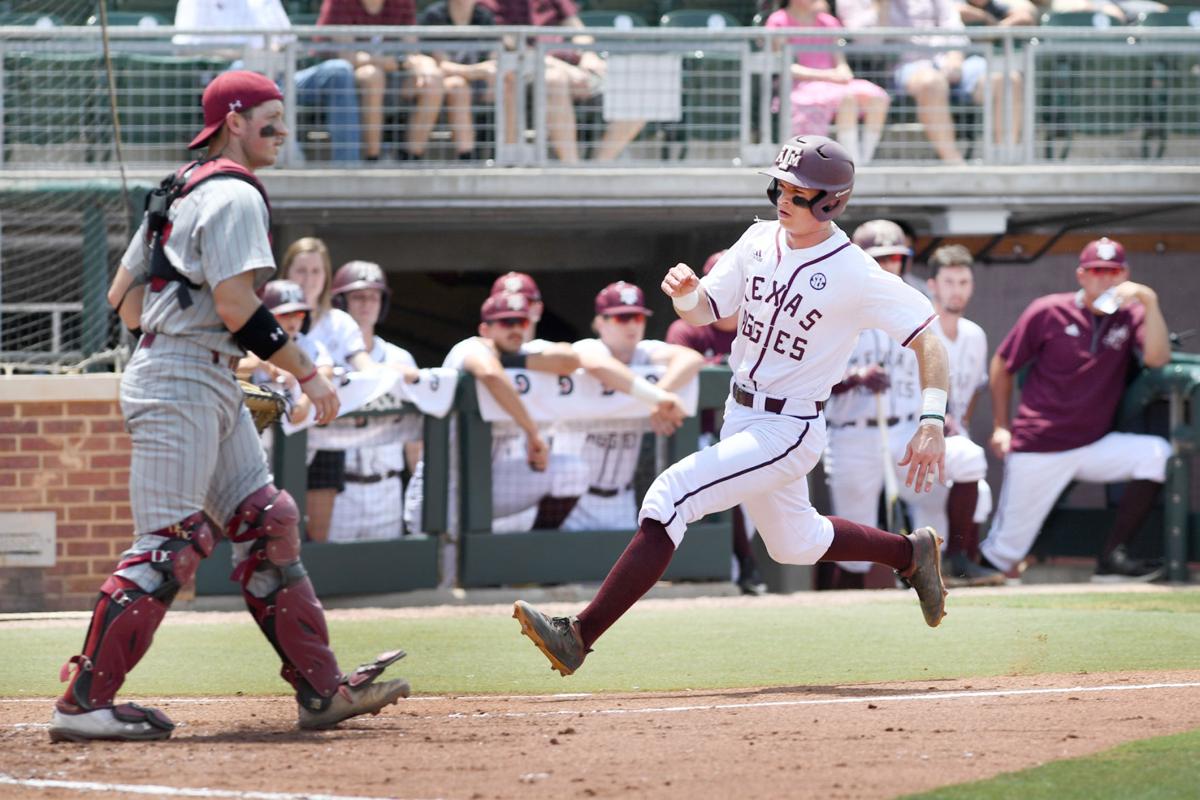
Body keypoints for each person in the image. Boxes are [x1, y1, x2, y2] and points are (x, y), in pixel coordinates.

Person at [50, 71, 408, 743]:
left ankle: (320, 691)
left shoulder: (177, 187)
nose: (282, 132)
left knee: (267, 519)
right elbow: (238, 306)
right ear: (233, 120)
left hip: (190, 370)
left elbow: (122, 301)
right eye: (269, 120)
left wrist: (190, 353)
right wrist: (309, 376)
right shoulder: (236, 191)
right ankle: (82, 705)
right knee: (169, 548)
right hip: (183, 377)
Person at [513, 135, 952, 677]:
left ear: (830, 202)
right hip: (742, 411)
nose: (782, 197)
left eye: (797, 191)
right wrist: (685, 295)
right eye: (780, 186)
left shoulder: (856, 271)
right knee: (797, 542)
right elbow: (705, 311)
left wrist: (931, 418)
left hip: (789, 425)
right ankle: (910, 554)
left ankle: (579, 634)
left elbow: (929, 337)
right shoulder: (756, 239)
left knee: (670, 494)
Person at [980, 236, 1172, 582]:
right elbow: (1002, 364)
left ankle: (1112, 558)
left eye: (1113, 271)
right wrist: (1001, 426)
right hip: (1040, 446)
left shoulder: (1131, 314)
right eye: (1096, 270)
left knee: (1156, 453)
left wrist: (1150, 300)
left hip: (1092, 445)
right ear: (1081, 275)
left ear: (1125, 275)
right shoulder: (1047, 309)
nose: (1105, 279)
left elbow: (1158, 358)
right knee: (1001, 556)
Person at [820, 220, 997, 590]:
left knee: (968, 459)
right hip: (852, 434)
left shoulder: (914, 304)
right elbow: (808, 376)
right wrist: (853, 376)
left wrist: (934, 415)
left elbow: (932, 362)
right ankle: (840, 603)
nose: (890, 267)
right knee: (853, 541)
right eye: (880, 259)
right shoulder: (832, 303)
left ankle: (958, 560)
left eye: (896, 258)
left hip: (905, 429)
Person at [561, 281, 705, 532]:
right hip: (575, 499)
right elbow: (596, 365)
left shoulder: (644, 352)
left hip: (622, 499)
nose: (632, 324)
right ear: (601, 322)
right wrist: (657, 399)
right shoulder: (590, 347)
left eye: (638, 317)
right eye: (622, 318)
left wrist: (659, 396)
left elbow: (691, 358)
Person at [666, 250, 770, 596]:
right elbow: (679, 363)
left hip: (755, 429)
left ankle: (745, 564)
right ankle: (745, 564)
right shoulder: (688, 329)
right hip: (698, 434)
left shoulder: (763, 326)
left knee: (779, 526)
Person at [174, 0, 363, 163]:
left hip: (278, 78)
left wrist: (275, 48)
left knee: (339, 71)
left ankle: (348, 166)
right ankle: (282, 157)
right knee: (243, 69)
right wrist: (242, 54)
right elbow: (185, 47)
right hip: (232, 78)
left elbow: (289, 41)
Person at [835, 0, 1023, 163]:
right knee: (931, 82)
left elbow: (953, 27)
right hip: (904, 65)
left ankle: (1003, 161)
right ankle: (956, 167)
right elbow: (865, 42)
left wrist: (955, 59)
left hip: (948, 59)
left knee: (1009, 79)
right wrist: (881, 5)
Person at [280, 238, 376, 542]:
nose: (309, 280)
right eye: (301, 271)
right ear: (287, 272)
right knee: (275, 524)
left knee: (318, 534)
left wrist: (390, 375)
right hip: (277, 434)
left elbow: (365, 367)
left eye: (316, 272)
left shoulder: (340, 322)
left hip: (324, 430)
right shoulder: (266, 312)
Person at [326, 261, 424, 541]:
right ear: (340, 302)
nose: (367, 304)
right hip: (340, 488)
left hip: (388, 487)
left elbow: (414, 442)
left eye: (374, 296)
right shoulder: (323, 358)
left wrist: (418, 490)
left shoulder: (400, 359)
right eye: (358, 296)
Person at [924, 244, 1003, 586]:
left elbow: (976, 390)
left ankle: (962, 564)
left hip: (955, 436)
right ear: (933, 285)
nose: (957, 290)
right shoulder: (921, 328)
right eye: (949, 281)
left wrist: (961, 424)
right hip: (918, 435)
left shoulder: (975, 334)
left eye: (964, 282)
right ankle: (955, 564)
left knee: (978, 486)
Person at [486, 0, 646, 162]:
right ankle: (571, 167)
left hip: (574, 67)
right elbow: (512, 45)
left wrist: (588, 54)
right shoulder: (491, 4)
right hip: (526, 70)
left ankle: (597, 168)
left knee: (635, 88)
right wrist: (560, 67)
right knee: (554, 80)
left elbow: (578, 31)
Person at [317, 0, 446, 161]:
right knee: (373, 76)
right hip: (345, 80)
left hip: (394, 74)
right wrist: (393, 62)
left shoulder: (402, 3)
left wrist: (424, 65)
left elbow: (412, 51)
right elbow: (347, 56)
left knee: (432, 78)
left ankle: (410, 158)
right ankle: (373, 158)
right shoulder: (339, 3)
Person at [764, 0, 891, 165]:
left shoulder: (828, 21)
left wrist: (842, 73)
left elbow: (841, 63)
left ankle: (861, 163)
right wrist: (825, 75)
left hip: (833, 83)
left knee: (876, 98)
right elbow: (783, 66)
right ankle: (850, 165)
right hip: (798, 86)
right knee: (846, 99)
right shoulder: (778, 21)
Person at [419, 0, 509, 160]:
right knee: (458, 86)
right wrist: (474, 72)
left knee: (505, 82)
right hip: (442, 85)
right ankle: (468, 157)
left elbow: (495, 60)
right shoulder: (435, 16)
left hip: (478, 83)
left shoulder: (484, 17)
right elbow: (441, 65)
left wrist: (487, 73)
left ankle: (501, 155)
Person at [239, 279, 335, 428]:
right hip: (257, 427)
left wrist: (305, 402)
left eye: (298, 314)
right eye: (284, 314)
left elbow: (326, 370)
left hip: (295, 428)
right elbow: (230, 369)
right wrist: (258, 364)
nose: (292, 320)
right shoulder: (252, 342)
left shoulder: (309, 344)